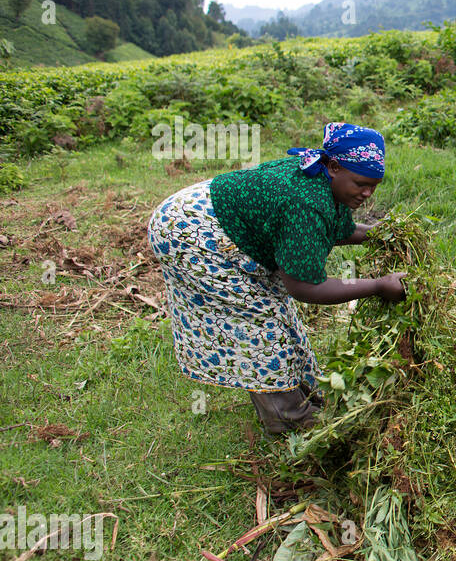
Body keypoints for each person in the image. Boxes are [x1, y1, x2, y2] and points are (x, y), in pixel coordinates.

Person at [147, 122, 407, 434]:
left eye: (374, 186)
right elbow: (304, 287)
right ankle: (285, 414)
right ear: (335, 167)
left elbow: (338, 228)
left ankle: (307, 391)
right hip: (191, 233)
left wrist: (379, 235)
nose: (367, 193)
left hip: (212, 218)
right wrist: (378, 286)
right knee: (256, 319)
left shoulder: (320, 174)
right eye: (361, 184)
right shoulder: (305, 200)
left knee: (277, 312)